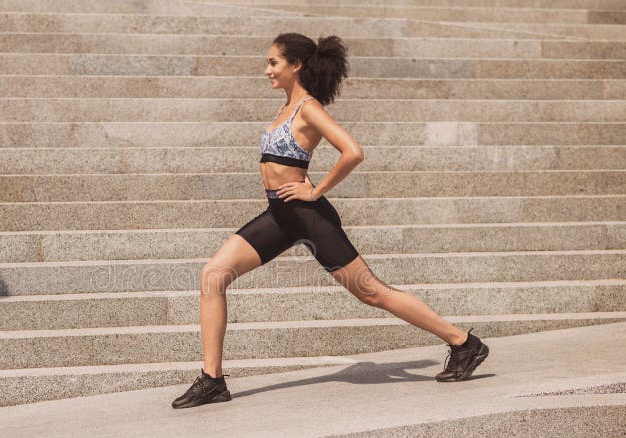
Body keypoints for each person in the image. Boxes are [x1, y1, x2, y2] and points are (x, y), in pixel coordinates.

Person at [172, 33, 489, 409]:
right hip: (279, 215)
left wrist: (315, 190)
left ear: (296, 65)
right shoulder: (286, 108)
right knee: (213, 275)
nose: (267, 70)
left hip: (308, 217)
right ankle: (212, 380)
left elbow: (352, 152)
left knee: (371, 292)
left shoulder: (308, 108)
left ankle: (463, 343)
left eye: (273, 62)